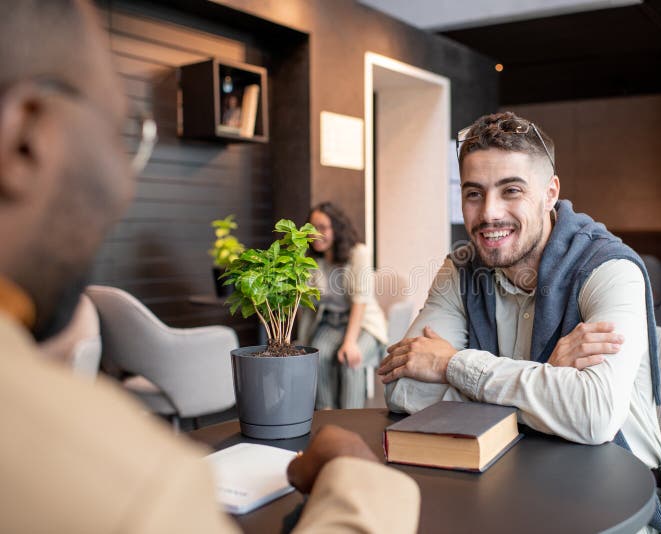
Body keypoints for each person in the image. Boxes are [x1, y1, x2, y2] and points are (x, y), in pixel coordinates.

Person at [0, 1, 418, 532]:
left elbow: (357, 303)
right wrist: (361, 482)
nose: (126, 184)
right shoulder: (135, 486)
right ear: (26, 136)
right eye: (122, 131)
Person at [378, 111, 661, 533]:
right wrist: (548, 378)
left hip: (614, 497)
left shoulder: (609, 269)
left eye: (511, 190)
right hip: (500, 482)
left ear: (550, 193)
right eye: (474, 194)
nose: (489, 213)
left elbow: (594, 416)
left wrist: (451, 365)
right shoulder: (460, 269)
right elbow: (402, 388)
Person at [298, 202, 388, 409]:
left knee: (350, 361)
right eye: (311, 228)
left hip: (362, 324)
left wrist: (350, 342)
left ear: (336, 229)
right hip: (329, 322)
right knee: (317, 357)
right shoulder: (310, 260)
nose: (315, 234)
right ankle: (326, 416)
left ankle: (350, 421)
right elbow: (302, 301)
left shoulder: (358, 253)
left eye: (322, 227)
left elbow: (360, 300)